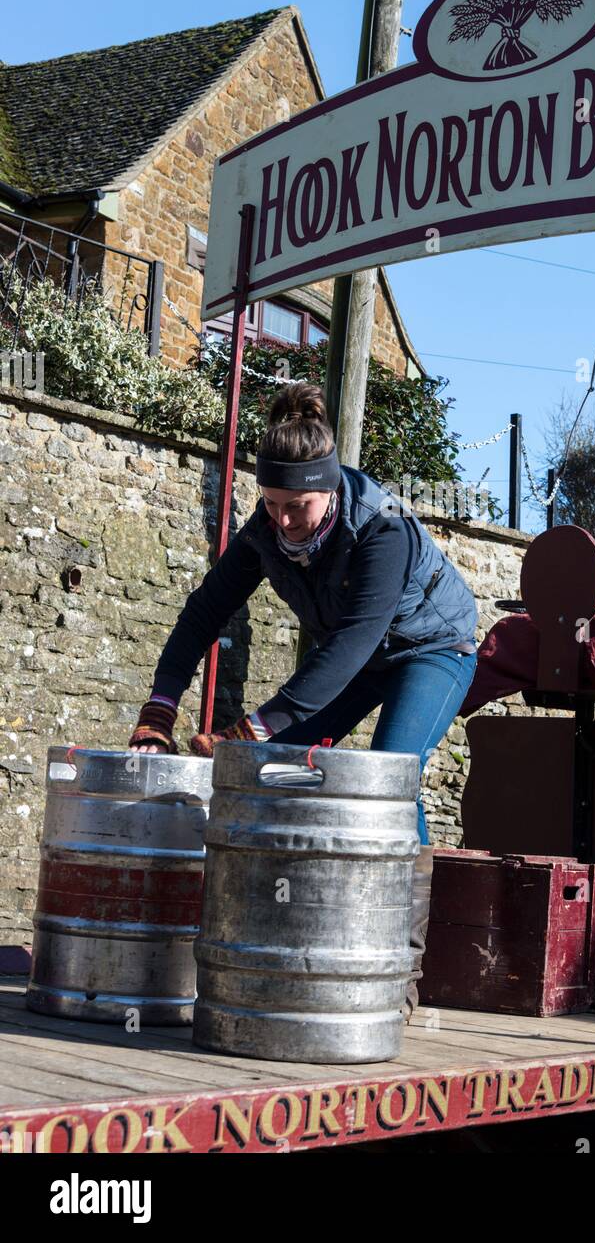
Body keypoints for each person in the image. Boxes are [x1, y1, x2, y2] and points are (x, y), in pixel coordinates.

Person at [129, 379, 478, 1020]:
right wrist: (159, 706)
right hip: (358, 657)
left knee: (390, 776)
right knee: (271, 769)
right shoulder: (266, 530)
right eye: (273, 504)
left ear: (331, 489)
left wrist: (255, 726)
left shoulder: (383, 532)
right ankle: (277, 940)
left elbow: (349, 647)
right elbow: (205, 610)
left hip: (430, 650)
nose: (285, 520)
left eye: (300, 506)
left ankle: (400, 972)